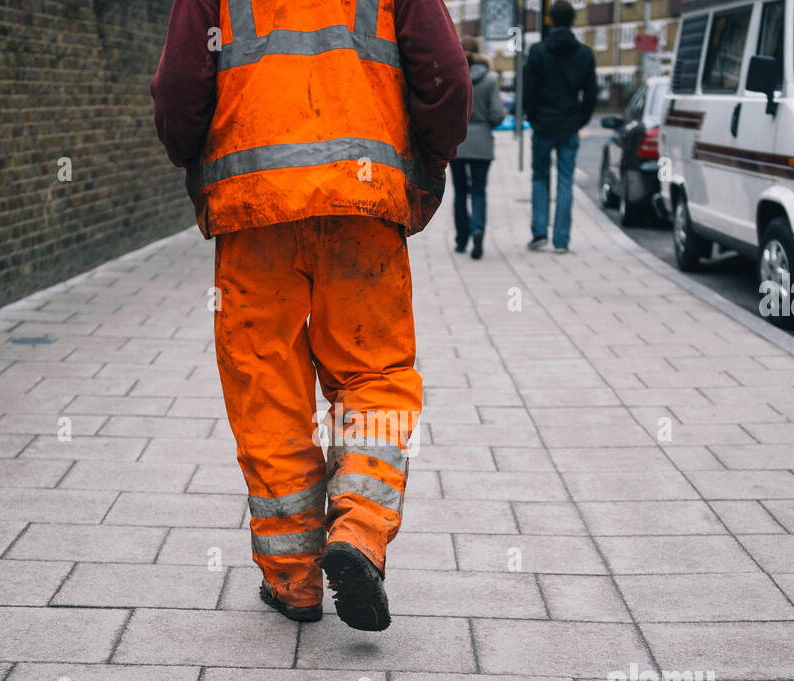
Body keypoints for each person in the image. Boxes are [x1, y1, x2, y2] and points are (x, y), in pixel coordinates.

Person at [151, 1, 471, 631]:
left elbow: (180, 86)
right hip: (363, 197)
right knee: (374, 373)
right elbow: (446, 76)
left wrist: (194, 156)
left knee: (264, 384)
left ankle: (293, 578)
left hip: (253, 203)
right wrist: (426, 162)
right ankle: (359, 528)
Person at [523, 0, 598, 253]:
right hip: (569, 125)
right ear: (572, 21)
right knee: (566, 181)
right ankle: (562, 240)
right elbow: (591, 95)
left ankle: (540, 232)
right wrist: (580, 120)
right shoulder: (585, 55)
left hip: (543, 124)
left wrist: (533, 117)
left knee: (540, 178)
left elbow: (529, 91)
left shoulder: (537, 51)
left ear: (551, 20)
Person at [452, 36, 506, 260]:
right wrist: (486, 123)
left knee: (460, 192)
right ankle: (478, 230)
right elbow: (498, 114)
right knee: (478, 191)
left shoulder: (453, 76)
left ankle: (461, 239)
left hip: (457, 142)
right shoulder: (491, 80)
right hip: (482, 142)